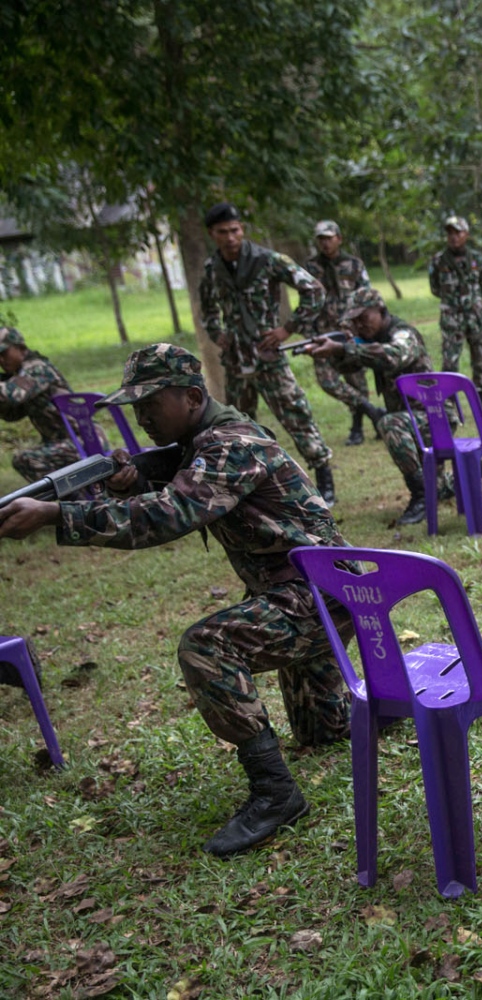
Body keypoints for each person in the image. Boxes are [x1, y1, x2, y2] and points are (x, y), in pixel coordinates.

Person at [0, 344, 352, 857]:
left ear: (191, 396)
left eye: (150, 405)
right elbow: (176, 476)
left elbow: (170, 513)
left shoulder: (230, 443)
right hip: (313, 590)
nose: (141, 418)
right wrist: (134, 478)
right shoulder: (205, 438)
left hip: (320, 596)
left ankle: (276, 795)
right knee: (324, 734)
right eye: (134, 409)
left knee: (206, 647)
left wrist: (58, 513)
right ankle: (364, 712)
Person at [305, 287, 482, 526]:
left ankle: (421, 497)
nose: (360, 324)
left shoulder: (403, 333)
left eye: (364, 317)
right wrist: (333, 351)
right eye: (355, 321)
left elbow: (393, 355)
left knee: (389, 423)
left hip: (434, 417)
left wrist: (345, 347)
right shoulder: (372, 341)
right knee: (440, 488)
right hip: (412, 420)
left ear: (381, 310)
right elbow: (349, 366)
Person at [197, 203, 337, 504]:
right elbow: (207, 309)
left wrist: (288, 328)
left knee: (296, 413)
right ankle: (245, 484)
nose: (231, 237)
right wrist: (217, 334)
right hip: (236, 361)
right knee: (234, 425)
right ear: (213, 234)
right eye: (223, 232)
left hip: (268, 356)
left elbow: (313, 289)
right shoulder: (212, 270)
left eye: (235, 230)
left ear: (242, 229)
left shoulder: (267, 260)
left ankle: (324, 476)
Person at [303, 219, 375, 443]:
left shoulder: (354, 265)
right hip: (322, 333)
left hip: (349, 333)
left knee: (357, 381)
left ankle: (357, 428)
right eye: (321, 239)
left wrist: (364, 327)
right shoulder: (310, 268)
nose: (325, 243)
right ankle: (373, 411)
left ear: (339, 239)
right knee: (327, 381)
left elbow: (366, 297)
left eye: (329, 238)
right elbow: (305, 300)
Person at [0, 325, 82, 481]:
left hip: (81, 439)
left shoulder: (37, 368)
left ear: (20, 347)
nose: (1, 360)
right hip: (59, 442)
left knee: (25, 459)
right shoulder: (21, 374)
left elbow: (11, 394)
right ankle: (74, 498)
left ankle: (76, 500)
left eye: (4, 353)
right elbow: (12, 414)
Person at [428, 215, 482, 404]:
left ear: (466, 234)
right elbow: (435, 288)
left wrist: (472, 303)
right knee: (450, 362)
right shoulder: (438, 261)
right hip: (452, 318)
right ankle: (451, 404)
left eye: (458, 232)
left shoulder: (478, 259)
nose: (453, 237)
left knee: (480, 359)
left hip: (475, 316)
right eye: (450, 233)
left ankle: (480, 402)